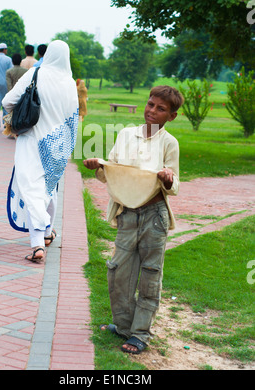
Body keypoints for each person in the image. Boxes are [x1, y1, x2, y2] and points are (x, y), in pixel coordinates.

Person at [83, 85, 184, 354]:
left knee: (150, 275)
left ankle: (140, 334)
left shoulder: (169, 143)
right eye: (150, 104)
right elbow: (112, 171)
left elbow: (174, 184)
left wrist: (167, 177)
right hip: (126, 213)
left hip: (154, 217)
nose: (152, 111)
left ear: (171, 116)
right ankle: (124, 326)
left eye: (161, 108)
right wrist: (100, 167)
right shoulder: (127, 134)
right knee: (118, 271)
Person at [2, 40, 79, 262]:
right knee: (49, 188)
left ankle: (37, 244)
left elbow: (8, 102)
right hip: (58, 144)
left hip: (32, 140)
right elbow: (73, 119)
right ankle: (46, 234)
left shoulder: (36, 73)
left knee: (31, 188)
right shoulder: (70, 83)